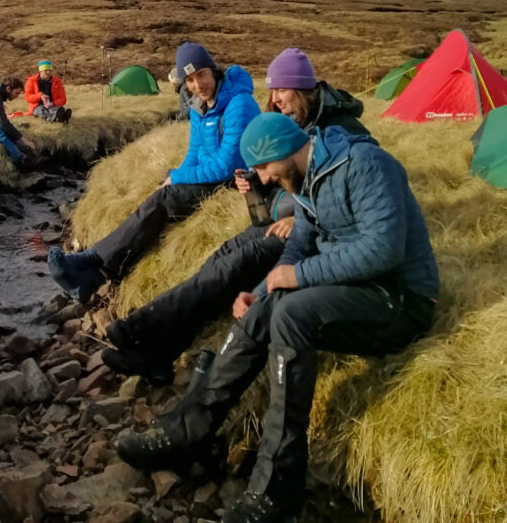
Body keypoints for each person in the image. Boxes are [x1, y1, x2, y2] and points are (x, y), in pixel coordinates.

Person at [116, 112, 439, 523]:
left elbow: (383, 250)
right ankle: (188, 430)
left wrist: (298, 277)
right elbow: (298, 248)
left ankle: (277, 487)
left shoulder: (365, 163)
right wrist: (262, 290)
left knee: (292, 314)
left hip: (400, 299)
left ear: (281, 150)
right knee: (266, 309)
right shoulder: (305, 180)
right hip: (357, 288)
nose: (265, 178)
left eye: (265, 167)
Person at [102, 48, 369, 385]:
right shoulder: (297, 120)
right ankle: (159, 353)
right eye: (272, 90)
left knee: (232, 268)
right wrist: (257, 182)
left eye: (281, 90)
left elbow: (350, 196)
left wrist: (302, 219)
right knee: (220, 258)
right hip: (283, 220)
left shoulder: (343, 131)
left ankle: (139, 328)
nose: (275, 99)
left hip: (313, 236)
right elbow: (294, 180)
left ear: (304, 88)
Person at [47, 42, 260, 303]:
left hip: (234, 181)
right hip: (210, 174)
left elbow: (227, 164)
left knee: (164, 199)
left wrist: (178, 178)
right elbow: (194, 152)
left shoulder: (239, 103)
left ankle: (93, 263)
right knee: (163, 188)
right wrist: (175, 175)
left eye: (201, 75)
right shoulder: (199, 105)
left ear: (213, 70)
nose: (197, 85)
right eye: (190, 80)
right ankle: (98, 271)